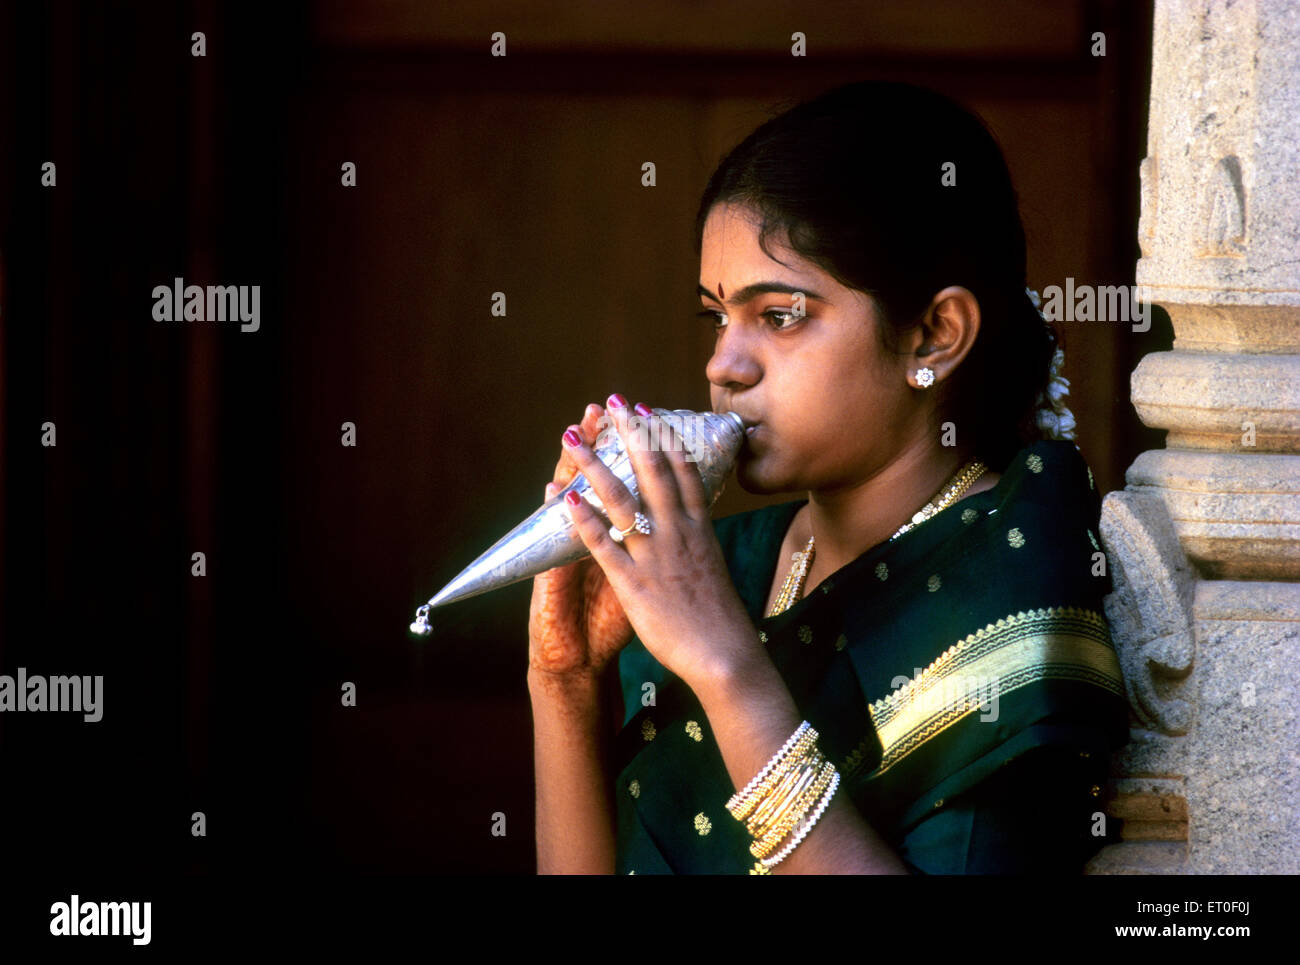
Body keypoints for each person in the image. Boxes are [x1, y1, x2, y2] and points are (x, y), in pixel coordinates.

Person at [526, 81, 1129, 875]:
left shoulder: (1011, 583)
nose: (722, 365)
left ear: (933, 335)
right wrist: (563, 681)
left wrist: (727, 665)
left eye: (779, 315)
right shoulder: (724, 563)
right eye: (717, 316)